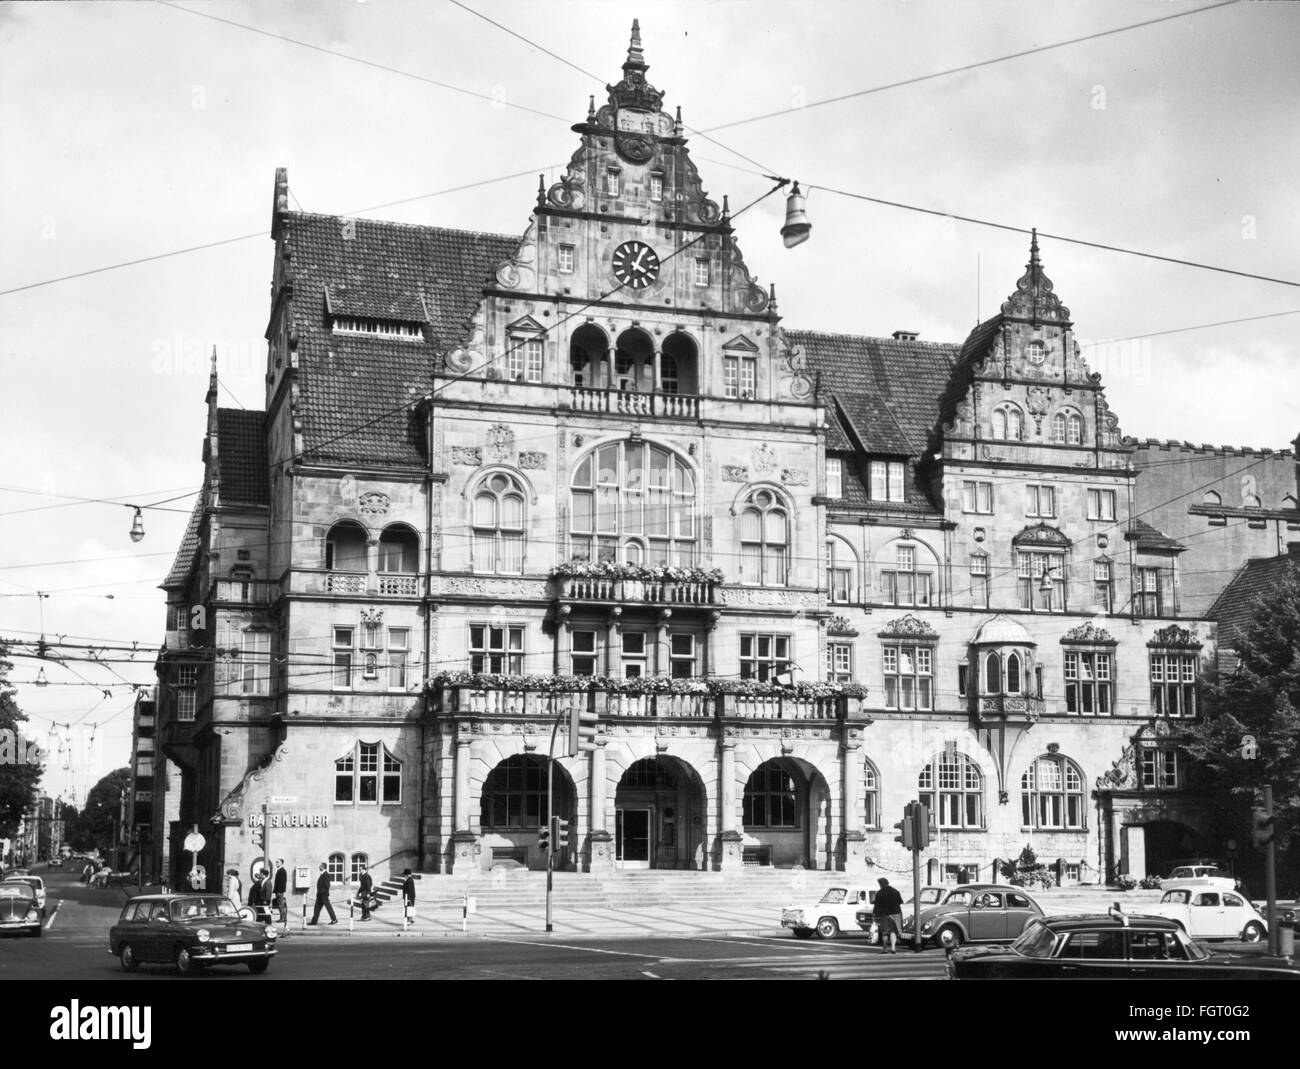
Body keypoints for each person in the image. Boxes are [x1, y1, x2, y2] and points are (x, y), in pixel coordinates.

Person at [872, 876, 905, 954]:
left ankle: (885, 949)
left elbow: (876, 905)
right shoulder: (895, 891)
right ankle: (893, 948)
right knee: (893, 931)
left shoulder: (879, 893)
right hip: (896, 913)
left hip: (885, 914)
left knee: (885, 932)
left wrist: (874, 915)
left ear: (880, 884)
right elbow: (900, 902)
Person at [272, 859, 288, 924]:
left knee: (281, 904)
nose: (276, 863)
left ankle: (283, 918)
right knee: (279, 904)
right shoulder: (279, 870)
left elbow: (282, 882)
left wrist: (279, 891)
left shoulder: (282, 871)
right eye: (276, 862)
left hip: (279, 891)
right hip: (278, 891)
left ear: (281, 863)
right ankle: (282, 917)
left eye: (278, 862)